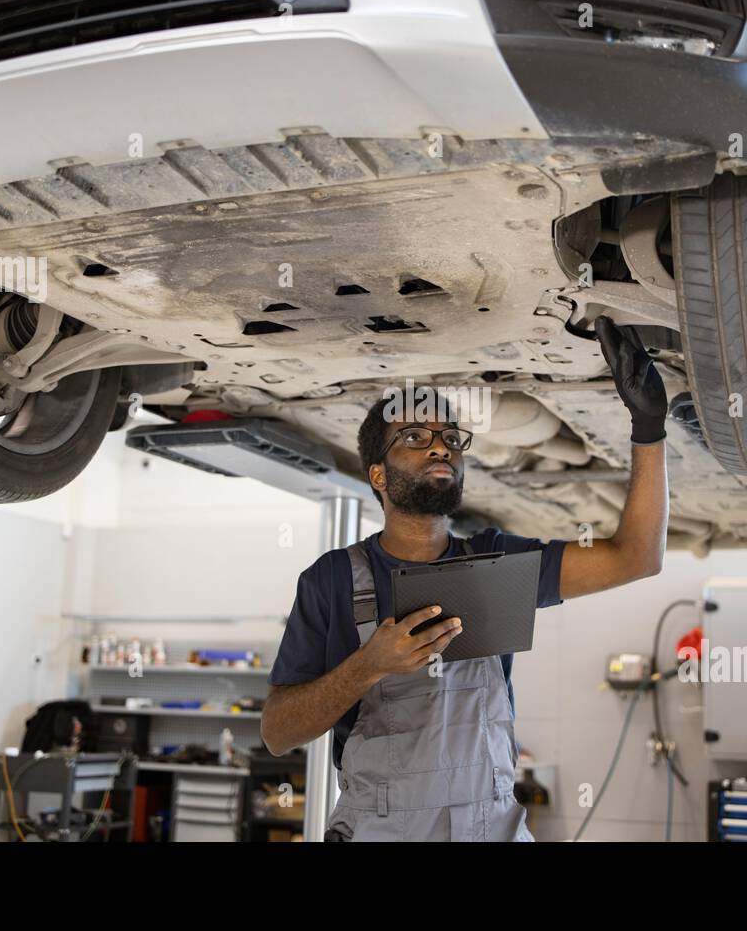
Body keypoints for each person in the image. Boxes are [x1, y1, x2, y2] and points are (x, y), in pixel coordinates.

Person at [260, 317, 670, 841]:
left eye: (450, 437)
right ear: (379, 476)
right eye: (414, 437)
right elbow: (277, 733)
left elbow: (636, 557)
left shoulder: (497, 559)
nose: (440, 447)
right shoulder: (333, 580)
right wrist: (366, 667)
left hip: (489, 826)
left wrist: (648, 427)